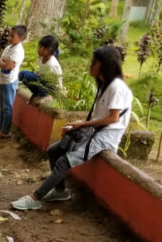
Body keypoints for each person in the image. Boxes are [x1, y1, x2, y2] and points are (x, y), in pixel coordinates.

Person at [11, 46, 132, 211]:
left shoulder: (116, 87)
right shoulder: (105, 85)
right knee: (54, 150)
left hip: (105, 137)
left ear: (105, 65)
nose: (91, 65)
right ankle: (60, 191)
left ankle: (34, 197)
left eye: (94, 62)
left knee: (63, 161)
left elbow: (113, 118)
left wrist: (83, 124)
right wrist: (80, 124)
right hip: (95, 131)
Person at [0, 25, 27, 141]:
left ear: (21, 37)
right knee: (3, 106)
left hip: (10, 81)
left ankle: (5, 131)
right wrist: (3, 63)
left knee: (7, 107)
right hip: (3, 79)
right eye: (9, 35)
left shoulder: (18, 51)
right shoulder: (9, 48)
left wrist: (4, 63)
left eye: (12, 36)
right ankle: (0, 128)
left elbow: (8, 66)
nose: (9, 38)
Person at [19, 34, 62, 101]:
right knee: (22, 74)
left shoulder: (52, 64)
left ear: (48, 50)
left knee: (29, 76)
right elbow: (41, 71)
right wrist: (37, 73)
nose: (38, 49)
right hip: (42, 80)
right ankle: (38, 93)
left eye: (40, 47)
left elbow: (54, 82)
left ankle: (48, 96)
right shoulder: (41, 58)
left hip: (52, 87)